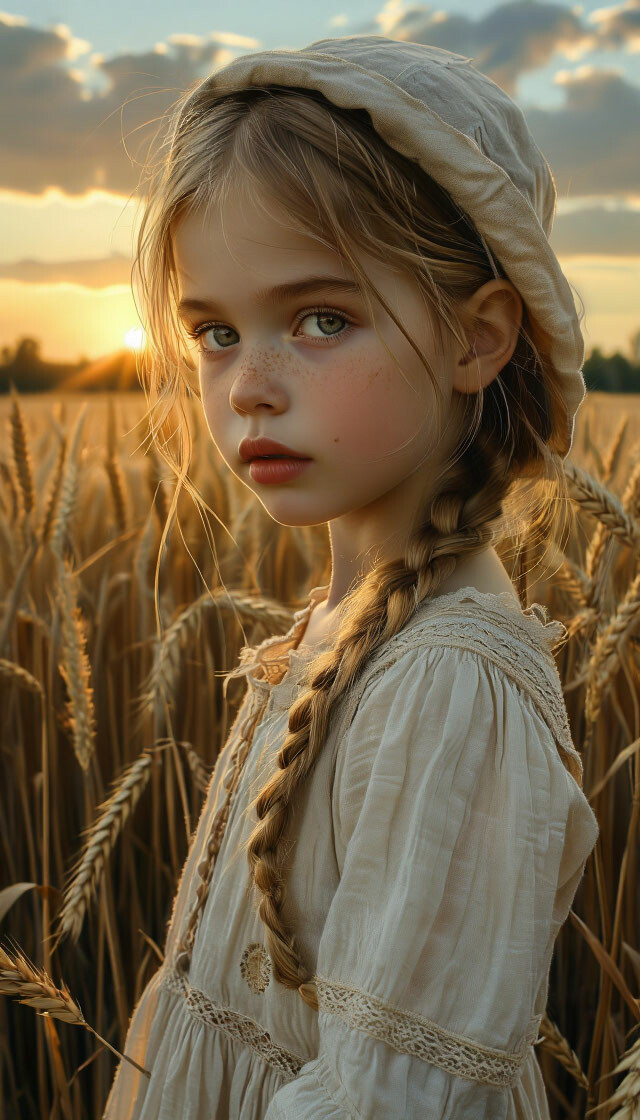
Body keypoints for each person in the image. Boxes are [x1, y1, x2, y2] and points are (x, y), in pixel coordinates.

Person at [103, 34, 599, 1119]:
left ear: (477, 339)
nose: (250, 389)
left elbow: (388, 1098)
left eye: (321, 320)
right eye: (217, 333)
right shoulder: (333, 630)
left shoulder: (448, 686)